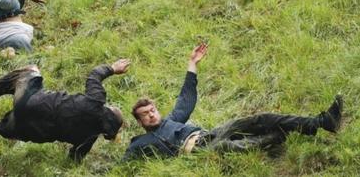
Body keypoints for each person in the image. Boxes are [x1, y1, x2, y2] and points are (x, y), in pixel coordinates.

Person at [124, 44, 343, 160]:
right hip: (201, 151)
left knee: (260, 119)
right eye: (145, 114)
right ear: (140, 121)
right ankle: (282, 137)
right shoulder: (140, 143)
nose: (151, 114)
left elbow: (186, 97)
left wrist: (192, 63)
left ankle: (322, 122)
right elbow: (125, 163)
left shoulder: (172, 120)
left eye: (152, 110)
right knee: (232, 146)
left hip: (210, 134)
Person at [0, 59, 129, 161]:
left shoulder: (96, 102)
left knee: (31, 71)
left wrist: (112, 68)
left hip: (29, 102)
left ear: (108, 110)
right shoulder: (89, 137)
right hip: (34, 130)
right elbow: (75, 157)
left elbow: (94, 75)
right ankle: (1, 127)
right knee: (17, 128)